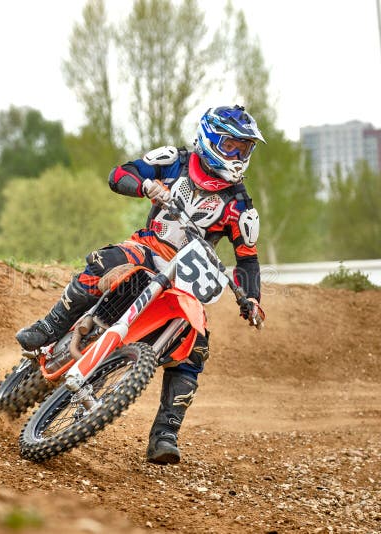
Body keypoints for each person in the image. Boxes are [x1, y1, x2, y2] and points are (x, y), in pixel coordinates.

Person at [16, 105, 265, 464]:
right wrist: (146, 185)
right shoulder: (173, 161)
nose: (239, 156)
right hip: (148, 249)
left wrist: (252, 299)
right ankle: (49, 326)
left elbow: (248, 259)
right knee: (107, 261)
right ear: (210, 138)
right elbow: (119, 174)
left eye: (245, 150)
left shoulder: (240, 206)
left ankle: (165, 433)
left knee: (196, 346)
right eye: (232, 146)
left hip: (186, 275)